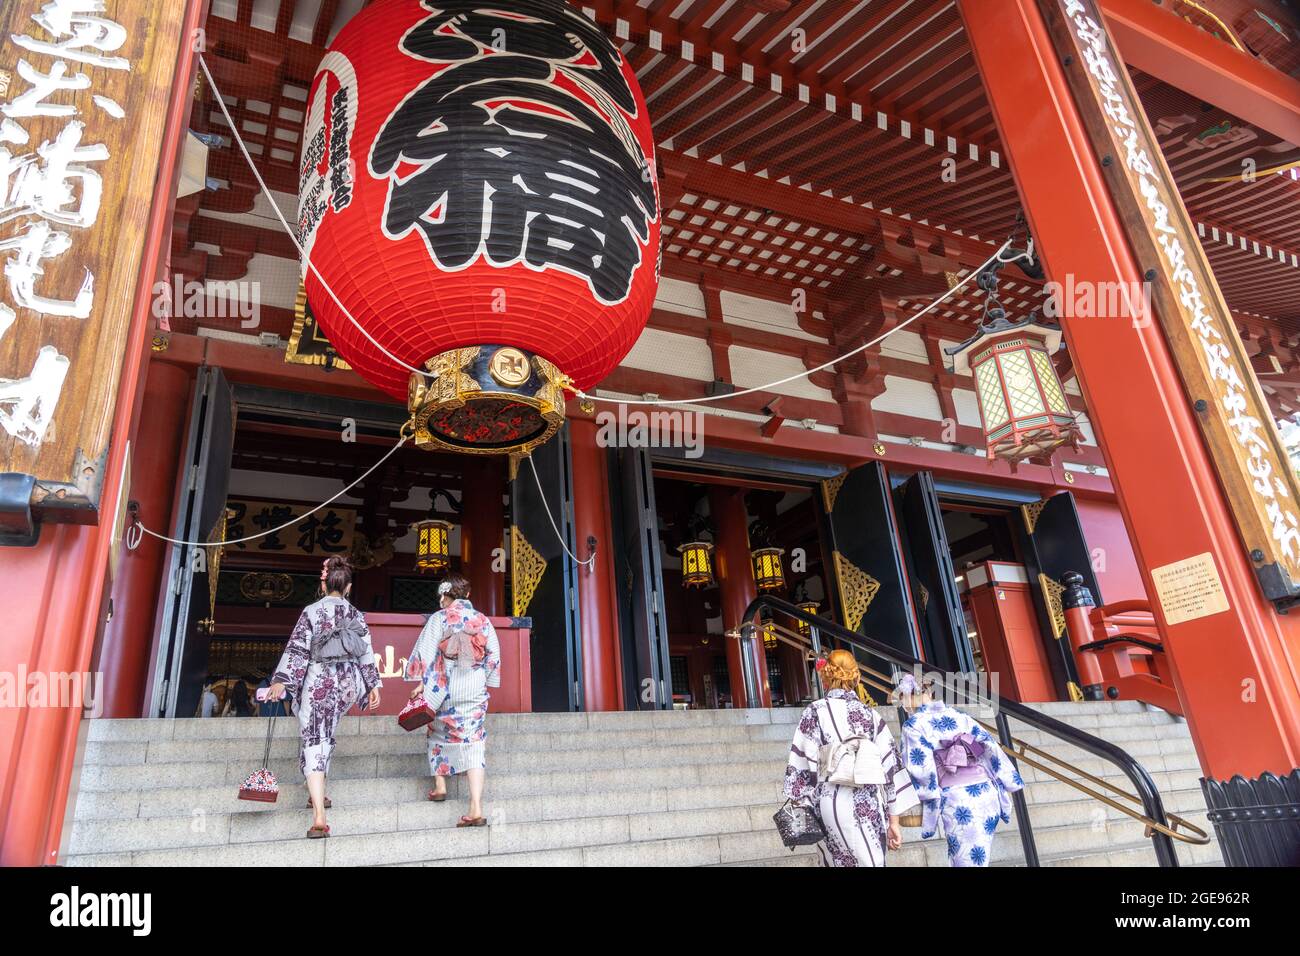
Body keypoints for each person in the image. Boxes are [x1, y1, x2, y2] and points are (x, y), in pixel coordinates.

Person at [266, 555, 382, 838]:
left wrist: (282, 681)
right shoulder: (356, 615)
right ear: (348, 587)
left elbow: (298, 650)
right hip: (346, 685)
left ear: (323, 584)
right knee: (325, 734)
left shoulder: (312, 612)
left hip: (320, 682)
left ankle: (319, 815)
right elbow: (366, 653)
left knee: (314, 738)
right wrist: (372, 686)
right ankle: (318, 793)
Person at [783, 649, 916, 867]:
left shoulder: (815, 711)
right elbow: (892, 767)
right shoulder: (871, 715)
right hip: (869, 800)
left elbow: (800, 766)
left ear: (826, 677)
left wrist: (801, 803)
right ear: (856, 676)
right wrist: (894, 821)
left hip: (831, 801)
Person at [892, 672, 1024, 867]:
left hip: (958, 801)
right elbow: (990, 747)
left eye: (902, 699)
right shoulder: (960, 716)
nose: (904, 706)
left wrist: (923, 802)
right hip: (987, 795)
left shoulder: (914, 725)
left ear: (911, 696)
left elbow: (921, 769)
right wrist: (1007, 781)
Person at [405, 573, 501, 827]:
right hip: (474, 686)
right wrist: (485, 679)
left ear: (445, 596)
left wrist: (420, 684)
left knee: (436, 730)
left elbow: (425, 654)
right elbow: (493, 656)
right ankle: (476, 806)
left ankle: (440, 786)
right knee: (474, 740)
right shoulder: (482, 620)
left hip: (446, 684)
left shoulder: (440, 618)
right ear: (468, 595)